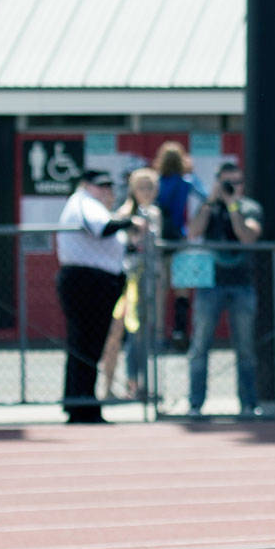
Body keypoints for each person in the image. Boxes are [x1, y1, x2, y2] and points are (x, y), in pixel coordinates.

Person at [55, 170, 143, 423]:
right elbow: (102, 228)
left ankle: (81, 404)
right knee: (86, 345)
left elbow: (109, 240)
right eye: (100, 185)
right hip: (87, 282)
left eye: (108, 186)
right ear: (85, 185)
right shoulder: (84, 202)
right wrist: (131, 221)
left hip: (95, 281)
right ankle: (82, 406)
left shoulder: (94, 205)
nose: (106, 190)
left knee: (88, 346)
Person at [184, 162, 263, 418]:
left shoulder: (249, 207)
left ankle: (249, 404)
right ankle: (195, 404)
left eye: (236, 182)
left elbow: (247, 237)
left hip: (242, 284)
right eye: (226, 182)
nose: (232, 187)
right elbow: (193, 231)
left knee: (245, 348)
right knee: (200, 346)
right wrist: (210, 201)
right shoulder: (208, 206)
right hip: (210, 284)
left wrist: (232, 205)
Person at [98, 168, 162, 400]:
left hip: (148, 279)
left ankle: (141, 384)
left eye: (150, 187)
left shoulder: (154, 214)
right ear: (133, 189)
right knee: (116, 334)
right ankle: (112, 385)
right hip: (126, 281)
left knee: (144, 333)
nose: (146, 192)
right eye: (141, 187)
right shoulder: (123, 214)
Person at [155, 141, 204, 351]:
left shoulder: (156, 182)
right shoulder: (188, 182)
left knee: (160, 290)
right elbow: (205, 198)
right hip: (180, 240)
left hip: (159, 241)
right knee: (182, 289)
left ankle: (158, 335)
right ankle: (180, 332)